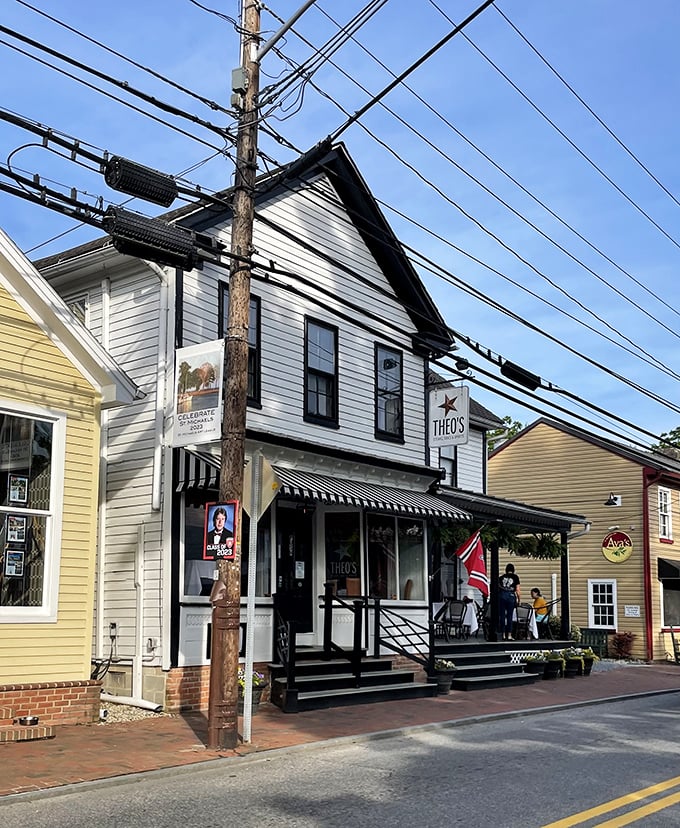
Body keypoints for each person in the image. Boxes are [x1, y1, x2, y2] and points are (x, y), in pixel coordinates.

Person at [498, 562, 520, 641]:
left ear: (506, 570)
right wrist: (519, 599)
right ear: (513, 570)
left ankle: (503, 634)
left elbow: (498, 588)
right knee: (510, 616)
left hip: (502, 596)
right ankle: (509, 635)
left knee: (502, 616)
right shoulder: (515, 577)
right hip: (510, 596)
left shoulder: (501, 577)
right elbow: (517, 590)